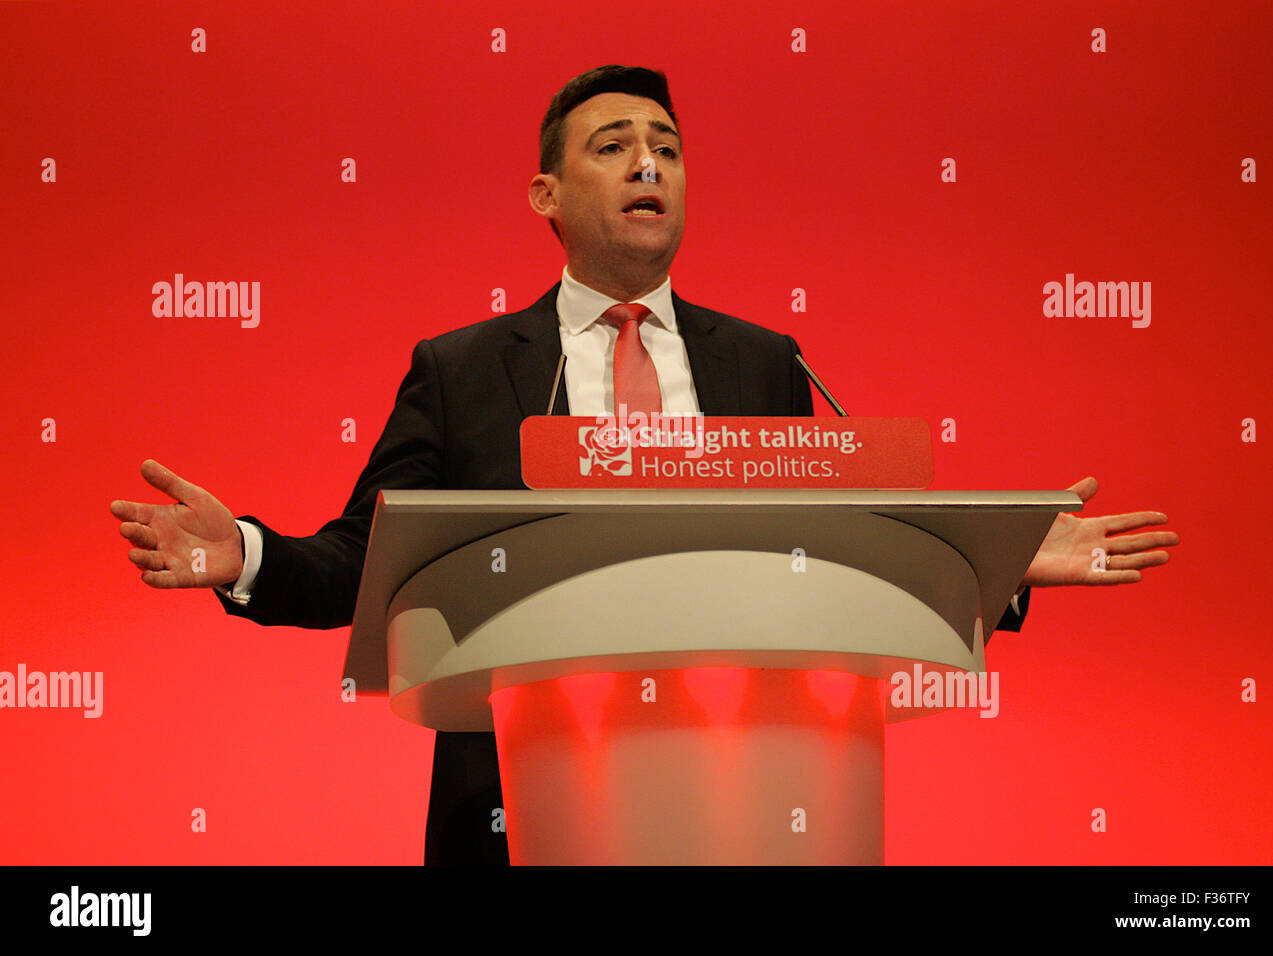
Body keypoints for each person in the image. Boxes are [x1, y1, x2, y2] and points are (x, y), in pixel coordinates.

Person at [110, 65, 1179, 865]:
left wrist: (996, 557)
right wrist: (244, 552)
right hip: (522, 794)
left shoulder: (767, 360)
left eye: (665, 145)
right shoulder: (467, 368)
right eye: (613, 144)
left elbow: (828, 550)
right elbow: (362, 560)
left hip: (753, 792)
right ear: (544, 195)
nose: (648, 164)